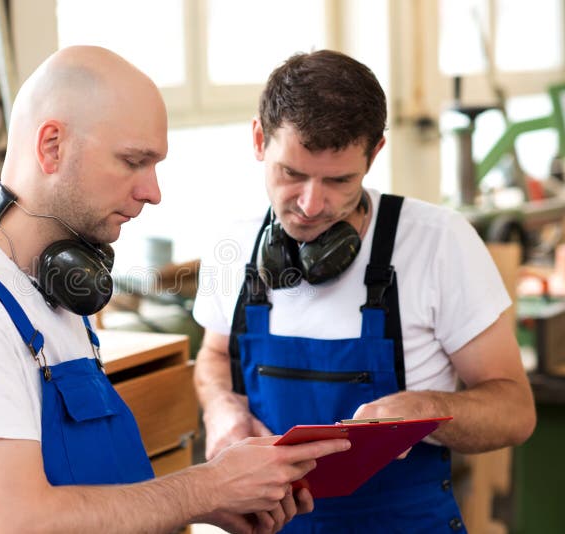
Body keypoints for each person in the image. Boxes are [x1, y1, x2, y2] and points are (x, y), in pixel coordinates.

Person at [0, 46, 351, 534]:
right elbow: (23, 523)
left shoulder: (57, 293)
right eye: (133, 161)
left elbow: (87, 495)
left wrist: (205, 503)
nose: (152, 191)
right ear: (52, 146)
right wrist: (208, 486)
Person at [192, 49, 536, 533]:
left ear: (375, 154)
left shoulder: (438, 242)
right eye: (292, 174)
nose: (311, 205)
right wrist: (221, 409)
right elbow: (213, 357)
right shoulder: (234, 242)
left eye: (338, 181)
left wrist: (428, 409)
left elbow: (515, 412)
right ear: (257, 140)